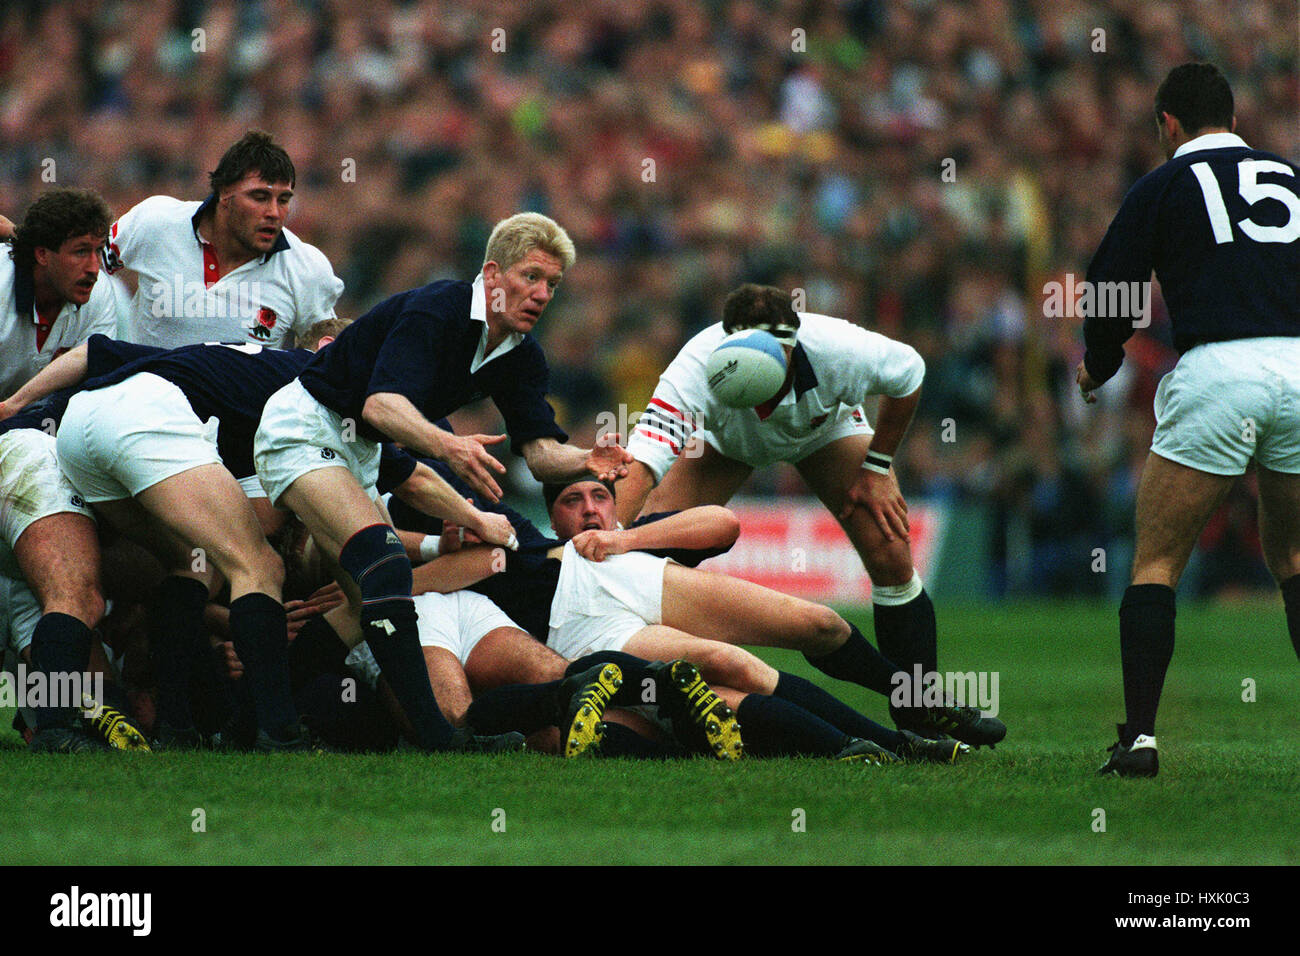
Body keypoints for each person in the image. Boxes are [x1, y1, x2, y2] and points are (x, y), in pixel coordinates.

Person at [253, 211, 629, 753]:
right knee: (383, 561)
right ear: (493, 273)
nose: (542, 293)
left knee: (370, 601)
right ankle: (437, 736)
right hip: (303, 424)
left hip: (357, 450)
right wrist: (450, 445)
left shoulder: (519, 354)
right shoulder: (440, 309)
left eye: (552, 283)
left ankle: (265, 719)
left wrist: (585, 462)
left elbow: (541, 454)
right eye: (531, 276)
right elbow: (381, 405)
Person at [616, 283, 1005, 744]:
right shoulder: (696, 365)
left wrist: (877, 467)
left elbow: (910, 373)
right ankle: (657, 699)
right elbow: (642, 462)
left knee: (891, 551)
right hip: (724, 445)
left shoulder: (837, 348)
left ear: (795, 344)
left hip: (826, 432)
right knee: (650, 549)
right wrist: (611, 537)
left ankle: (918, 714)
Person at [1076, 63, 1300, 777]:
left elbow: (1113, 285)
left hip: (1218, 370)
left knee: (1158, 562)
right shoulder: (1291, 177)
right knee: (1294, 559)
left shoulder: (1163, 183)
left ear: (1167, 125)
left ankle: (1139, 740)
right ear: (1234, 121)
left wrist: (1101, 360)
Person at [103, 130, 343, 349]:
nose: (274, 212)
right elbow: (88, 274)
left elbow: (324, 353)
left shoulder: (306, 268)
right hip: (142, 393)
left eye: (283, 200)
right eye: (260, 197)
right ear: (225, 194)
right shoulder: (154, 222)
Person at [0, 189, 118, 400]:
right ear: (42, 254)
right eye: (81, 251)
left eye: (99, 250)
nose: (93, 268)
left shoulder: (100, 294)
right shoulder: (2, 283)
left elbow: (89, 394)